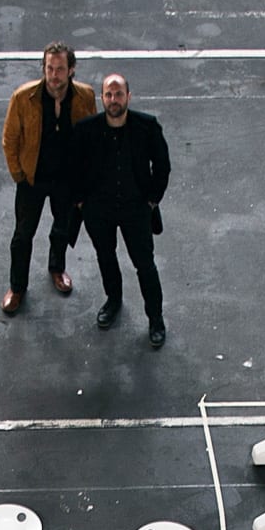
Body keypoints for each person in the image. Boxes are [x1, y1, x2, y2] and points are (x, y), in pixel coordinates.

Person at [72, 74, 172, 349]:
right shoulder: (86, 130)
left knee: (145, 266)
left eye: (118, 94)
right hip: (99, 210)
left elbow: (162, 165)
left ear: (128, 96)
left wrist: (152, 200)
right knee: (106, 256)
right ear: (102, 98)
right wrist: (82, 203)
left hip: (135, 210)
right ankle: (113, 301)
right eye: (108, 95)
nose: (113, 100)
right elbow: (74, 167)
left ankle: (156, 319)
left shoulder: (147, 126)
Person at [0, 43, 96, 315]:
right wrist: (19, 174)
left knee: (62, 228)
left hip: (66, 179)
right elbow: (10, 139)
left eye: (60, 69)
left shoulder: (84, 96)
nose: (54, 75)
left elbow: (91, 138)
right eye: (49, 68)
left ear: (71, 70)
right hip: (33, 178)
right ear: (43, 69)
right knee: (22, 235)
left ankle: (57, 268)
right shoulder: (24, 97)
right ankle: (17, 287)